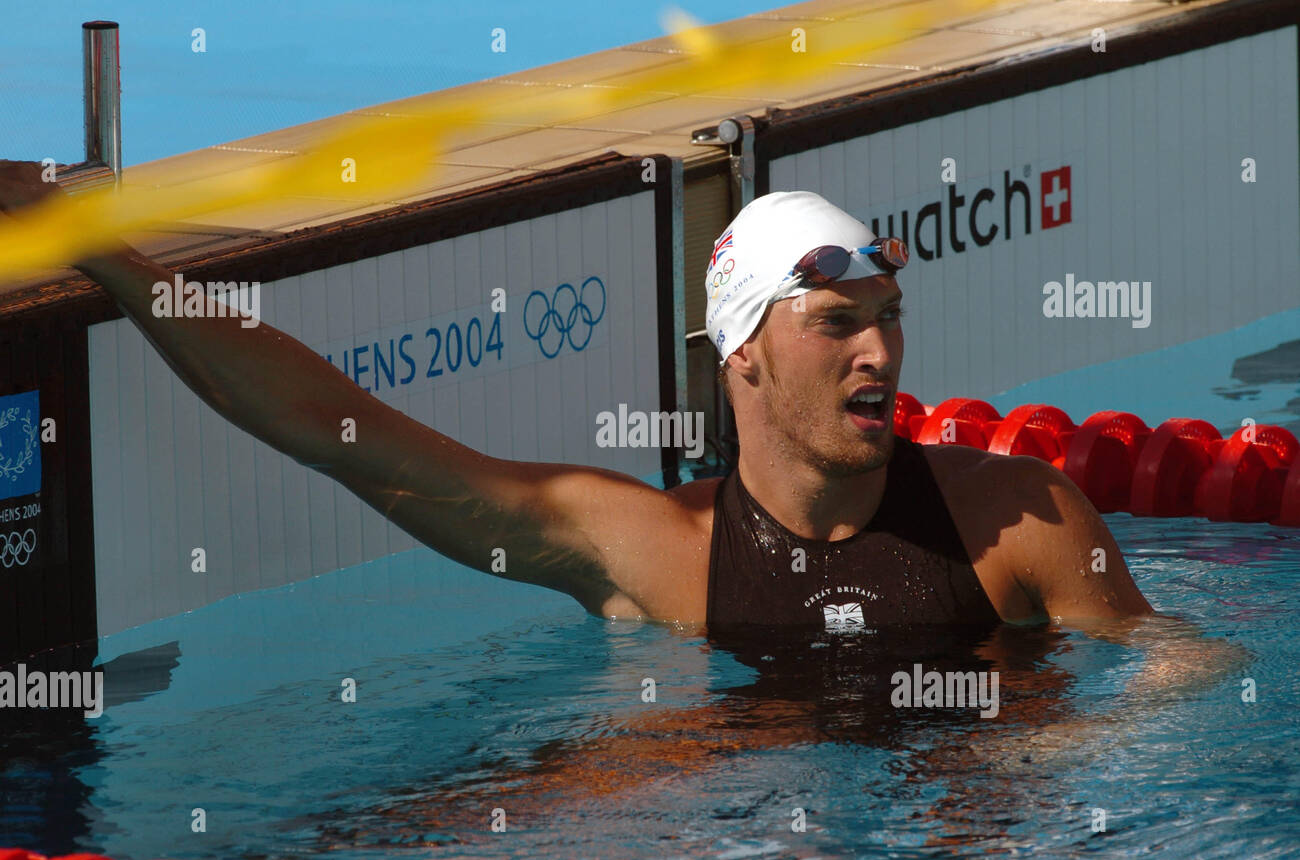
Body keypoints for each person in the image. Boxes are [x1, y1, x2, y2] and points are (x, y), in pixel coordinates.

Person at [0, 162, 1153, 635]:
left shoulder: (1019, 519)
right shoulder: (653, 553)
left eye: (887, 320)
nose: (880, 354)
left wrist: (1028, 768)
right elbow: (338, 435)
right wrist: (112, 256)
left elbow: (1175, 683)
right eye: (839, 324)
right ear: (741, 353)